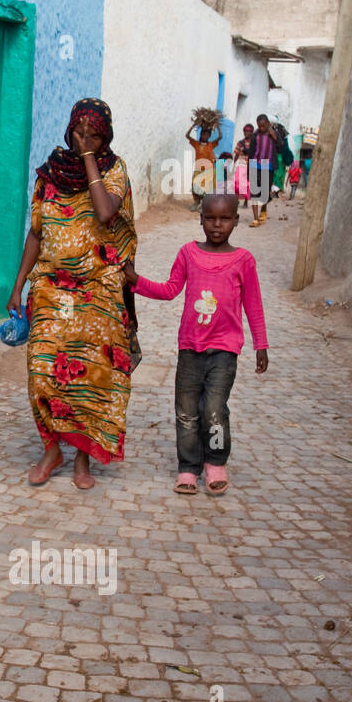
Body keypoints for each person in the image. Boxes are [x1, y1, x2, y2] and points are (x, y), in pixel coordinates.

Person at [7, 98, 137, 491]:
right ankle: (52, 449)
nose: (85, 139)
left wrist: (88, 161)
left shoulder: (113, 170)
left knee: (91, 376)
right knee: (42, 370)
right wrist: (18, 285)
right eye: (79, 132)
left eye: (94, 134)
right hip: (50, 287)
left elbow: (104, 213)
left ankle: (83, 457)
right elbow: (36, 231)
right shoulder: (48, 174)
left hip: (99, 290)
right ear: (69, 129)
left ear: (105, 136)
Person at [124, 191, 268, 495]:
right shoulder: (188, 253)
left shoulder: (244, 260)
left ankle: (215, 462)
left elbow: (253, 305)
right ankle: (188, 468)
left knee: (214, 409)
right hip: (190, 348)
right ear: (200, 219)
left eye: (224, 218)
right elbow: (170, 289)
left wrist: (261, 345)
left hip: (225, 351)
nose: (217, 225)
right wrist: (135, 280)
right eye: (210, 218)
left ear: (236, 221)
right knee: (187, 411)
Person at [248, 114, 278, 226]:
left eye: (263, 126)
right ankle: (255, 218)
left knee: (265, 194)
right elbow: (251, 153)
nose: (261, 128)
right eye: (259, 126)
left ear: (268, 124)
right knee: (254, 192)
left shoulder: (274, 134)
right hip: (255, 164)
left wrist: (274, 135)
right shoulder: (255, 136)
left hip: (267, 165)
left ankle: (264, 207)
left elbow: (280, 146)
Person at [185, 121, 218, 212]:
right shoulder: (196, 144)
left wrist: (217, 127)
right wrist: (193, 126)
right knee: (195, 186)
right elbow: (187, 136)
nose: (205, 136)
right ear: (201, 134)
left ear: (209, 136)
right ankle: (196, 202)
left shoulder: (211, 145)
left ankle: (204, 205)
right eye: (204, 134)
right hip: (198, 169)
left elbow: (220, 137)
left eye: (207, 135)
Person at [233, 125, 254, 209]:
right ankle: (236, 200)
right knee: (236, 182)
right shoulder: (240, 143)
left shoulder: (254, 143)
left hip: (251, 165)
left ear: (252, 132)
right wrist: (233, 164)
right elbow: (236, 154)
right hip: (241, 164)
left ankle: (245, 201)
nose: (246, 133)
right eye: (245, 131)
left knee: (248, 184)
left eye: (248, 131)